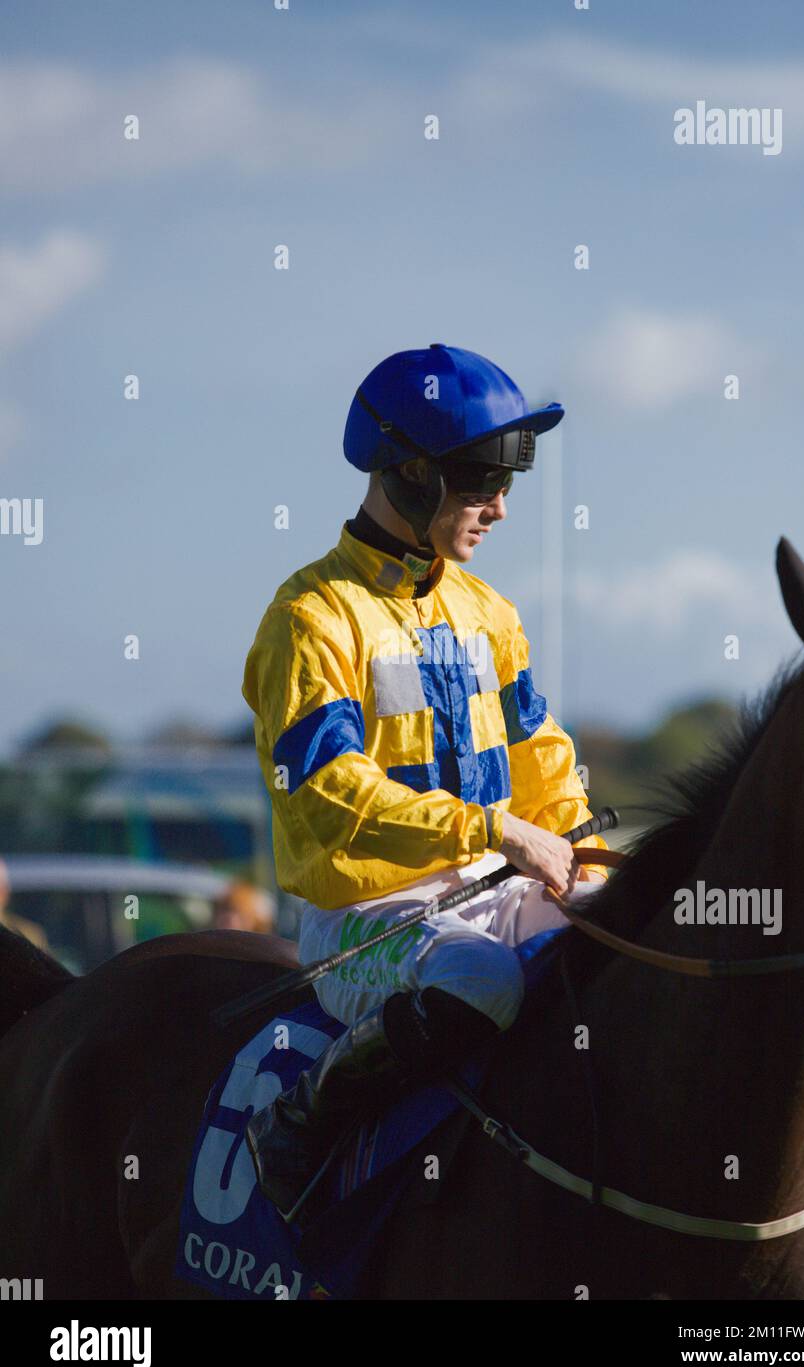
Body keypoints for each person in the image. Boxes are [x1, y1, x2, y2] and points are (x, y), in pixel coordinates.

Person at [242, 343, 608, 1219]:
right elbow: (329, 791)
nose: (502, 507)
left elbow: (540, 756)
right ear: (408, 473)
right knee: (484, 983)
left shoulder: (489, 613)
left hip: (488, 893)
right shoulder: (311, 619)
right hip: (369, 923)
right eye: (484, 479)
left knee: (624, 936)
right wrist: (493, 832)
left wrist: (584, 851)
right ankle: (295, 1125)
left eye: (512, 480)